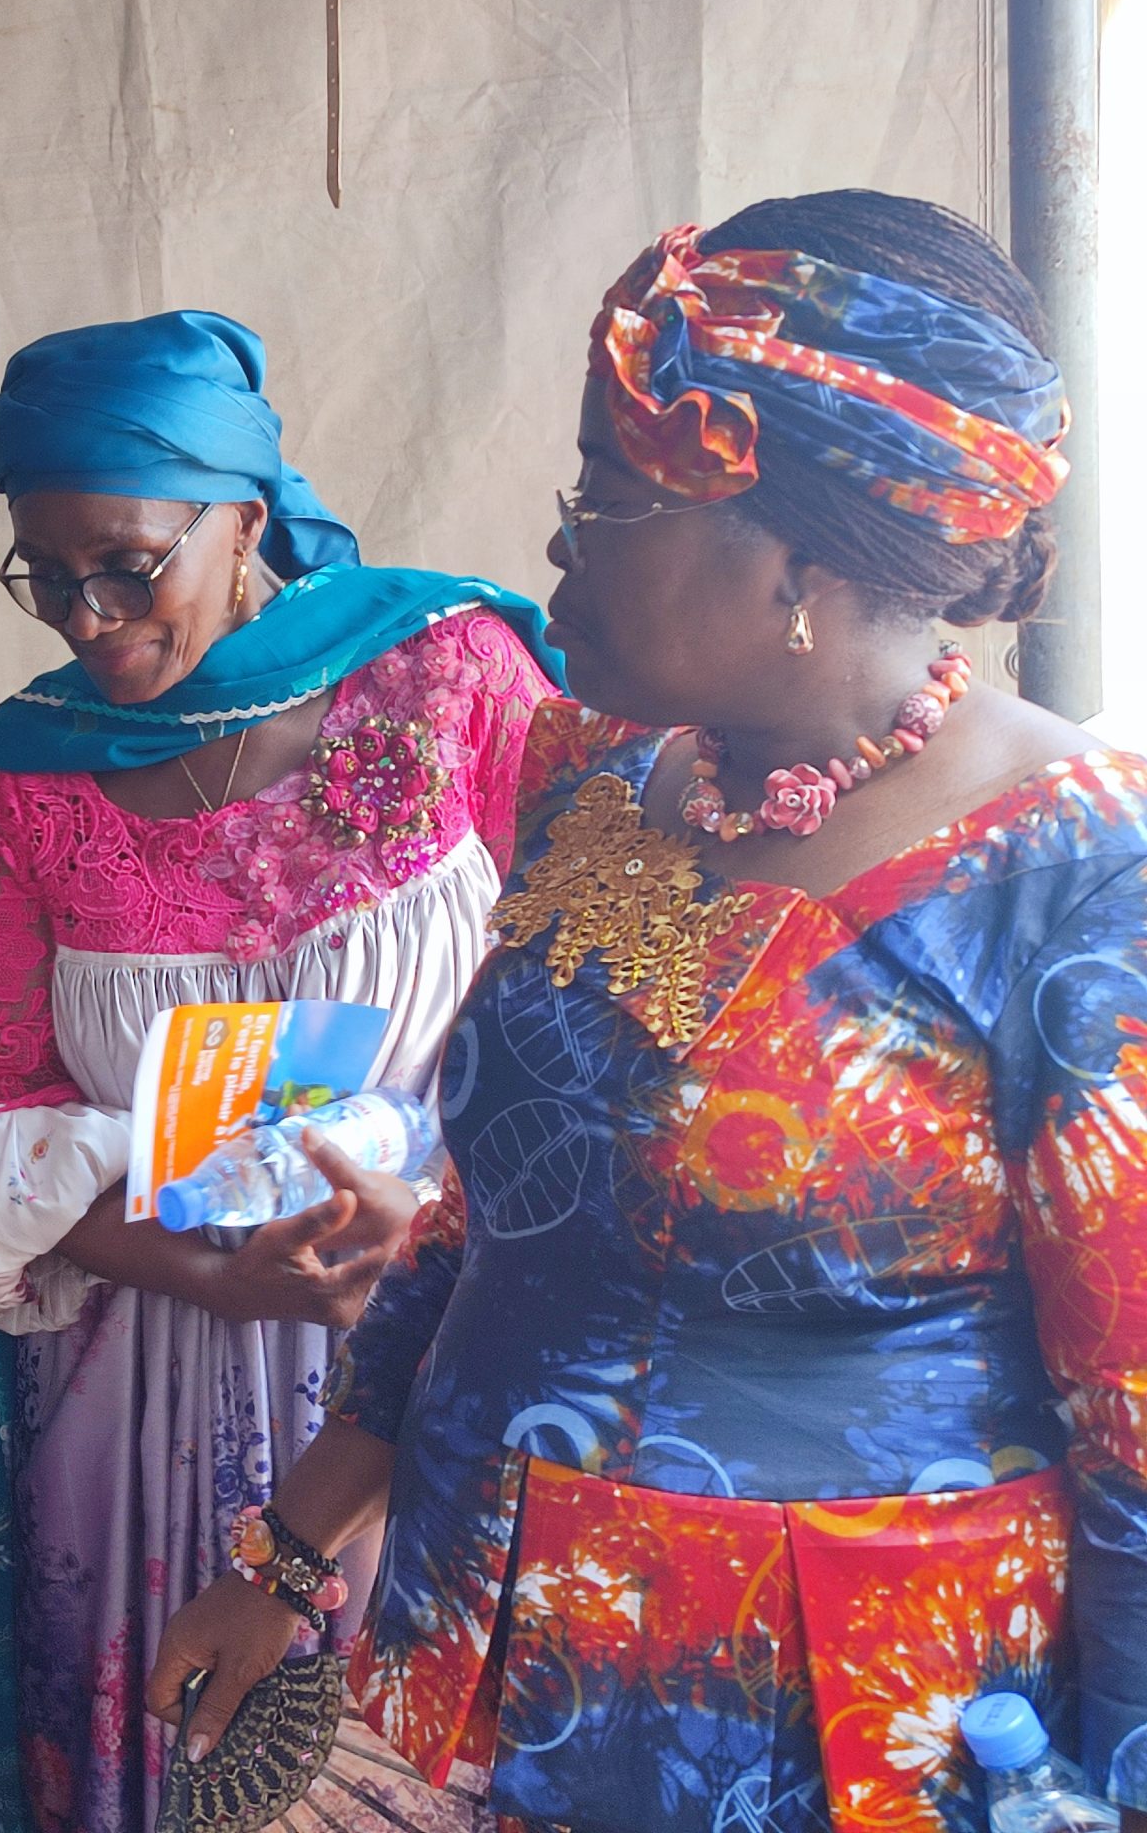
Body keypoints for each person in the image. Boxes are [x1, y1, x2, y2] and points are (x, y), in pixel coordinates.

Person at [149, 191, 1147, 1832]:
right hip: (510, 1662)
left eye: (608, 498)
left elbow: (1137, 1430)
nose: (560, 543)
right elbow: (489, 1230)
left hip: (848, 1735)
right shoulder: (595, 780)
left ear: (805, 559)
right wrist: (289, 1552)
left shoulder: (1082, 883)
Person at [0, 310, 562, 1831]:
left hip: (440, 1339)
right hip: (145, 1378)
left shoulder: (449, 678)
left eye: (126, 564)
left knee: (421, 1765)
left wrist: (429, 1229)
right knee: (193, 1764)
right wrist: (218, 1277)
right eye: (44, 574)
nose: (85, 617)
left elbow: (576, 1013)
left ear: (244, 522)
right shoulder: (32, 785)